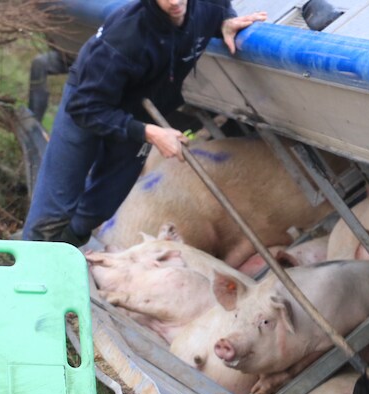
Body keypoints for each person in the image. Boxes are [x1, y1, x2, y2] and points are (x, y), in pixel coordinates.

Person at [22, 0, 266, 245]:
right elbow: (84, 107)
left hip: (140, 108)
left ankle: (66, 249)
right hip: (90, 104)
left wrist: (226, 22)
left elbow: (221, 9)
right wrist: (151, 133)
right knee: (55, 205)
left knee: (102, 204)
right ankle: (31, 263)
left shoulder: (207, 7)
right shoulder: (125, 36)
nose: (174, 1)